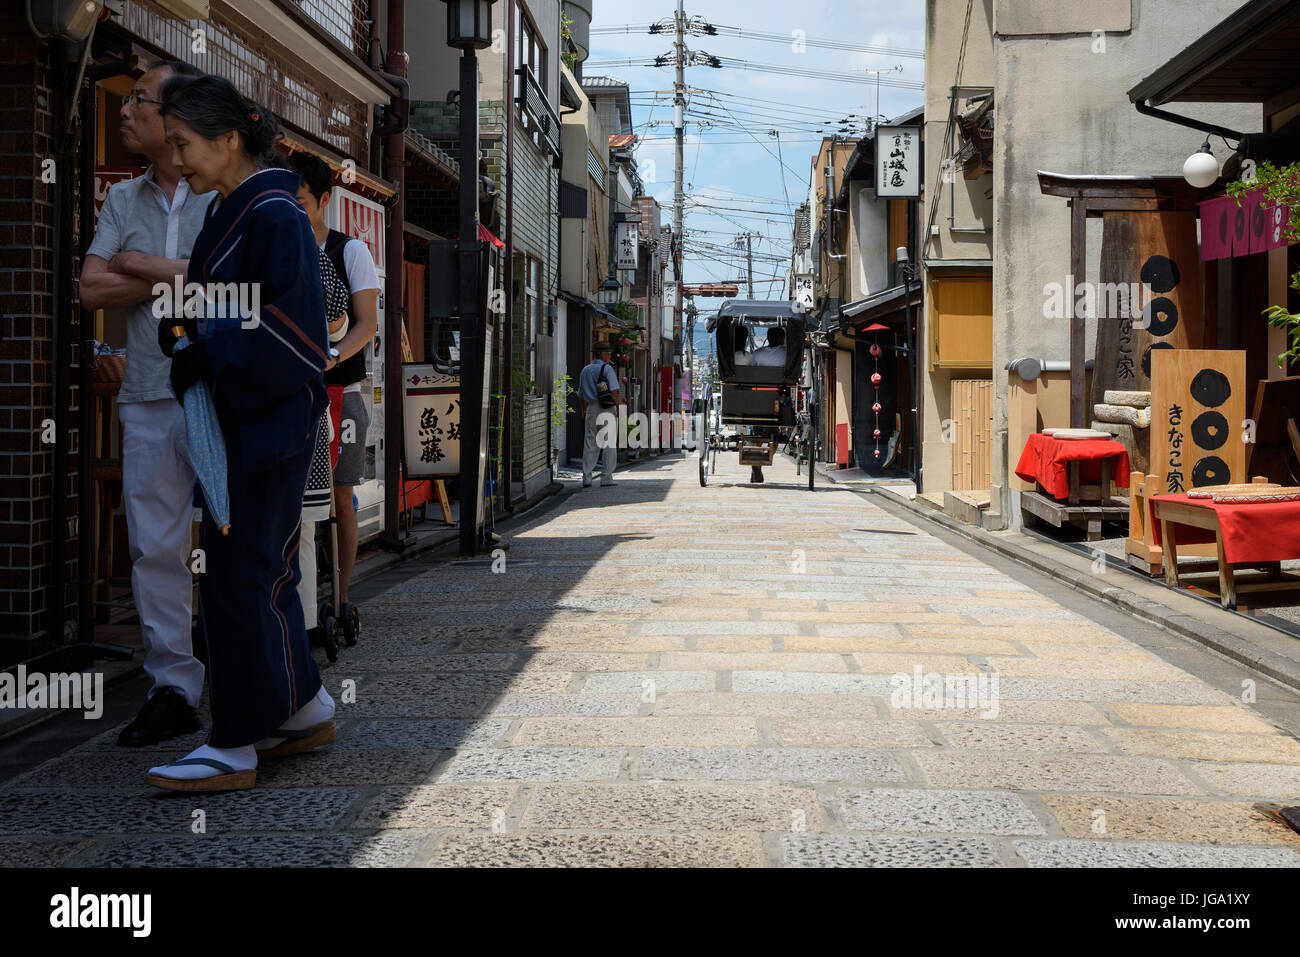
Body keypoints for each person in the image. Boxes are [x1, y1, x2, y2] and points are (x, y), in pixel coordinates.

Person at [147, 75, 334, 791]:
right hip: (246, 423)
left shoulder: (273, 217)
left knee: (239, 579)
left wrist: (207, 346)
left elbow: (296, 338)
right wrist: (186, 327)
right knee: (260, 573)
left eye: (186, 144)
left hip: (264, 427)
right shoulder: (238, 211)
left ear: (229, 139)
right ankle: (303, 705)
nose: (179, 159)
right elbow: (219, 310)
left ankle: (236, 741)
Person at [81, 59, 212, 748]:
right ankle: (173, 686)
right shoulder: (122, 199)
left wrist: (134, 265)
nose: (126, 112)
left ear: (177, 117)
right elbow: (91, 290)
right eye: (126, 100)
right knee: (155, 547)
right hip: (146, 393)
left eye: (138, 102)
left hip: (215, 392)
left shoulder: (218, 190)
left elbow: (223, 282)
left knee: (234, 538)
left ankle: (246, 668)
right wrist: (165, 276)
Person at [289, 152, 381, 621]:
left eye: (301, 201)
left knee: (340, 495)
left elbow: (366, 324)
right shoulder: (277, 248)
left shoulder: (349, 251)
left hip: (340, 390)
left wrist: (330, 356)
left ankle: (343, 598)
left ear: (325, 200)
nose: (293, 209)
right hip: (287, 391)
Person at [578, 342, 621, 488]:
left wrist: (584, 410)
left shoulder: (585, 370)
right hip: (606, 409)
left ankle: (587, 478)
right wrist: (618, 408)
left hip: (591, 408)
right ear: (601, 354)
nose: (609, 356)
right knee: (608, 444)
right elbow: (614, 391)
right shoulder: (607, 368)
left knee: (590, 443)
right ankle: (606, 477)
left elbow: (581, 395)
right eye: (607, 353)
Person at [749, 327, 788, 483]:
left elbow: (750, 375)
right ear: (781, 339)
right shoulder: (786, 353)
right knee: (776, 437)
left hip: (757, 403)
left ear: (768, 338)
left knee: (757, 436)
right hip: (776, 402)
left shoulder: (757, 354)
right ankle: (761, 460)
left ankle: (757, 463)